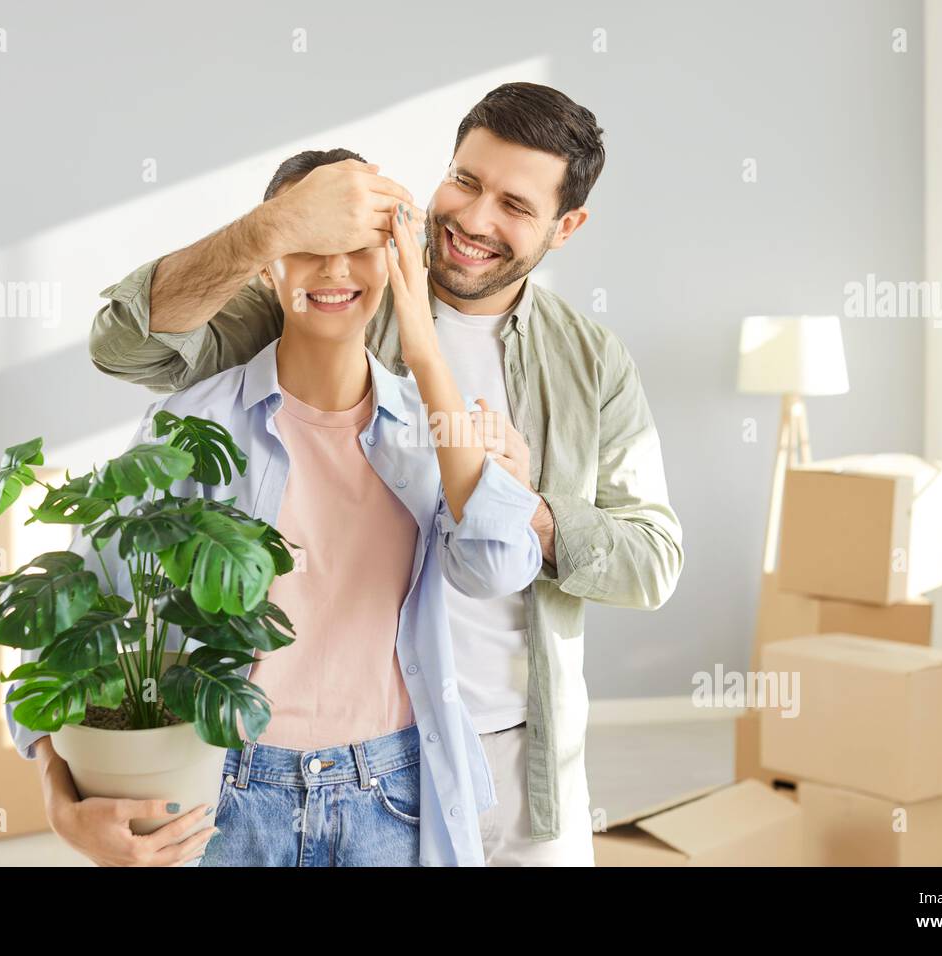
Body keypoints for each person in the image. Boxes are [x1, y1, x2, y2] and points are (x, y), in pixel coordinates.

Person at [87, 82, 685, 866]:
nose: (473, 220)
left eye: (515, 204)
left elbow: (653, 561)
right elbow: (126, 344)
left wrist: (520, 504)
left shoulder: (590, 361)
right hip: (366, 748)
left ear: (566, 226)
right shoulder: (336, 291)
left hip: (521, 757)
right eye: (465, 181)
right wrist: (272, 226)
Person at [10, 148, 542, 867]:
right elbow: (74, 608)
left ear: (394, 261)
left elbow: (497, 565)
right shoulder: (192, 428)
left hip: (393, 797)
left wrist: (425, 352)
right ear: (267, 266)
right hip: (222, 793)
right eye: (307, 248)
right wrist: (55, 793)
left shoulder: (434, 427)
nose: (334, 271)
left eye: (359, 248)